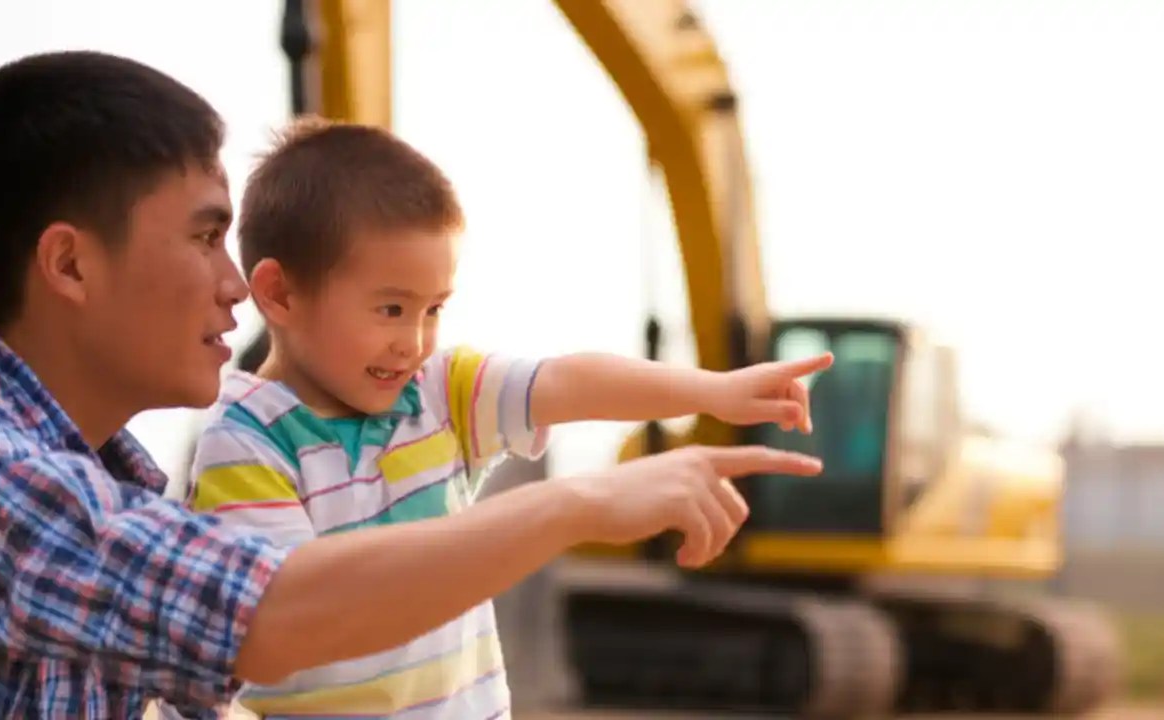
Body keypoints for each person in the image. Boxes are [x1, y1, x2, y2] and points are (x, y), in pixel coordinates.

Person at [0, 50, 826, 719]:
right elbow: (267, 618)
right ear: (70, 264)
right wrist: (585, 504)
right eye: (204, 239)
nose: (233, 286)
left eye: (432, 311)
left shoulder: (118, 482)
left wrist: (709, 390)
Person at [183, 118, 834, 719]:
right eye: (390, 310)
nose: (414, 341)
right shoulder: (246, 444)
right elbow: (296, 617)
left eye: (434, 309)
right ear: (280, 294)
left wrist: (712, 391)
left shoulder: (437, 394)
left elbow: (570, 381)